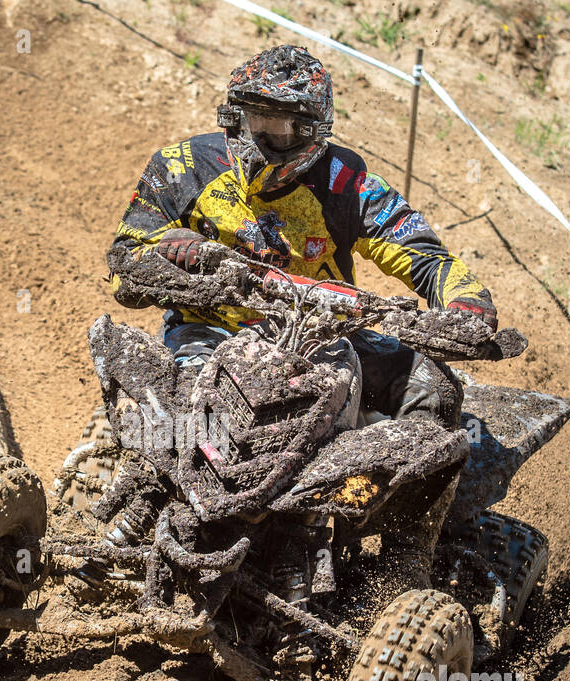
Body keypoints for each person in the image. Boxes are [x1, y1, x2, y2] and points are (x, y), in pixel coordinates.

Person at [105, 43, 497, 431]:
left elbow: (420, 251)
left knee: (435, 390)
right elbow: (124, 271)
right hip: (209, 329)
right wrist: (167, 259)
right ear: (232, 115)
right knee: (189, 415)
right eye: (251, 120)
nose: (258, 141)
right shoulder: (181, 166)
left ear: (312, 133)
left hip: (322, 331)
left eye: (277, 128)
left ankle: (401, 491)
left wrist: (466, 301)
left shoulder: (346, 184)